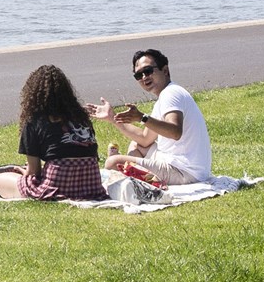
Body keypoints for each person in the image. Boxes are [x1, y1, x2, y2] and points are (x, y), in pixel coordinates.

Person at [91, 48, 213, 185]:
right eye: (138, 75)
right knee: (136, 144)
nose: (144, 77)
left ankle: (128, 175)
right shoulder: (166, 95)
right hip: (180, 164)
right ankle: (129, 175)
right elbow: (145, 139)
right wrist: (112, 117)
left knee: (113, 162)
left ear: (165, 70)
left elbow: (175, 131)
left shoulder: (171, 94)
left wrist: (141, 117)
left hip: (185, 172)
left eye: (148, 71)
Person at [0, 65, 106, 201]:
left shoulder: (34, 120)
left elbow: (34, 172)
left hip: (58, 187)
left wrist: (24, 174)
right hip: (91, 186)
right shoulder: (81, 118)